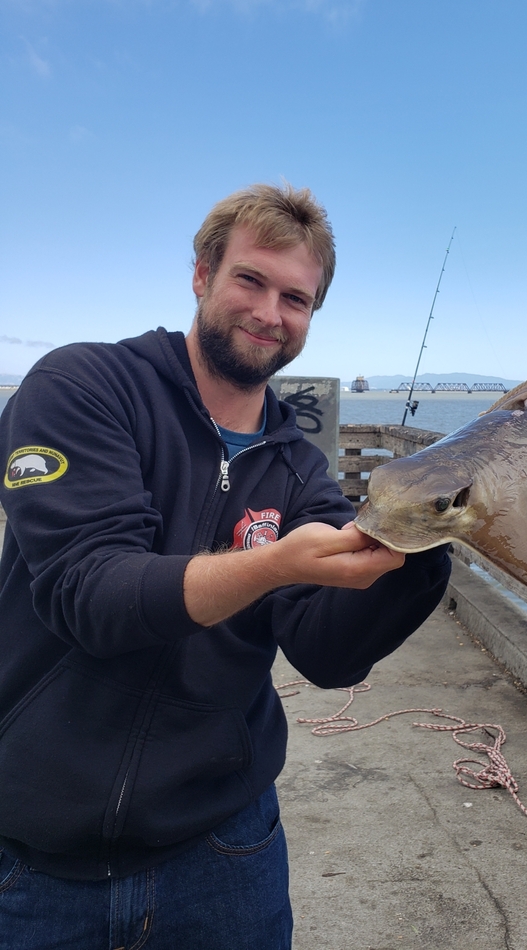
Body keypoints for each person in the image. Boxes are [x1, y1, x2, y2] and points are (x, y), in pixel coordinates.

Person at [0, 183, 451, 948]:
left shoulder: (301, 472)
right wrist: (271, 564)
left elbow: (327, 650)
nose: (270, 313)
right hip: (34, 864)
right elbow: (93, 593)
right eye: (251, 280)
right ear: (203, 275)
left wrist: (422, 546)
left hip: (221, 848)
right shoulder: (82, 387)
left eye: (297, 298)